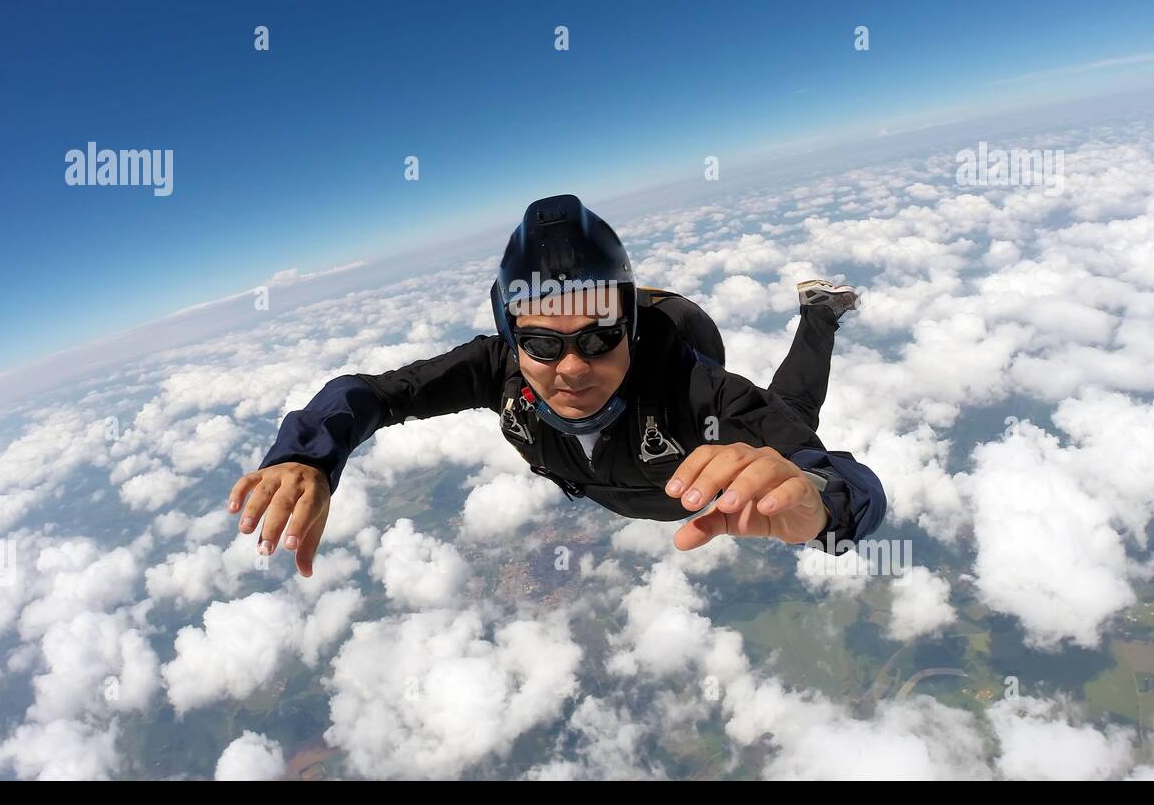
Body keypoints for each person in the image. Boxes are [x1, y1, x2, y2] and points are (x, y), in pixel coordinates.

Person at [228, 194, 886, 576]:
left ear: (628, 326)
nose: (571, 367)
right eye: (542, 342)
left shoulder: (694, 392)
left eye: (599, 335)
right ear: (512, 339)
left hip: (680, 386)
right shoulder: (498, 370)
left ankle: (820, 309)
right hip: (628, 476)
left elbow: (846, 480)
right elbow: (376, 392)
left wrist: (821, 506)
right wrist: (310, 451)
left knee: (790, 419)